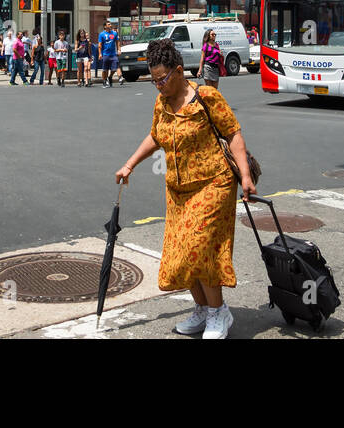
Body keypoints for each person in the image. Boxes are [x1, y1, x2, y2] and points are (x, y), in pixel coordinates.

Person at [115, 38, 255, 339]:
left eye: (162, 79)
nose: (158, 85)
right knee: (181, 254)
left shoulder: (206, 96)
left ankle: (220, 313)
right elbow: (155, 136)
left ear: (179, 71)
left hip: (213, 183)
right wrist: (130, 164)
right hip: (178, 190)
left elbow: (233, 134)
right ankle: (203, 309)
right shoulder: (162, 102)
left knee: (199, 248)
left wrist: (245, 176)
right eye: (153, 80)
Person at [98, 20, 120, 87]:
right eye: (109, 24)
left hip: (113, 54)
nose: (110, 25)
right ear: (105, 26)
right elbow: (100, 45)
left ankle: (110, 77)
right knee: (105, 69)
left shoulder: (114, 33)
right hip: (105, 54)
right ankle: (104, 80)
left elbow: (117, 42)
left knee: (114, 68)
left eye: (110, 24)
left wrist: (119, 49)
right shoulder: (101, 34)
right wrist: (100, 54)